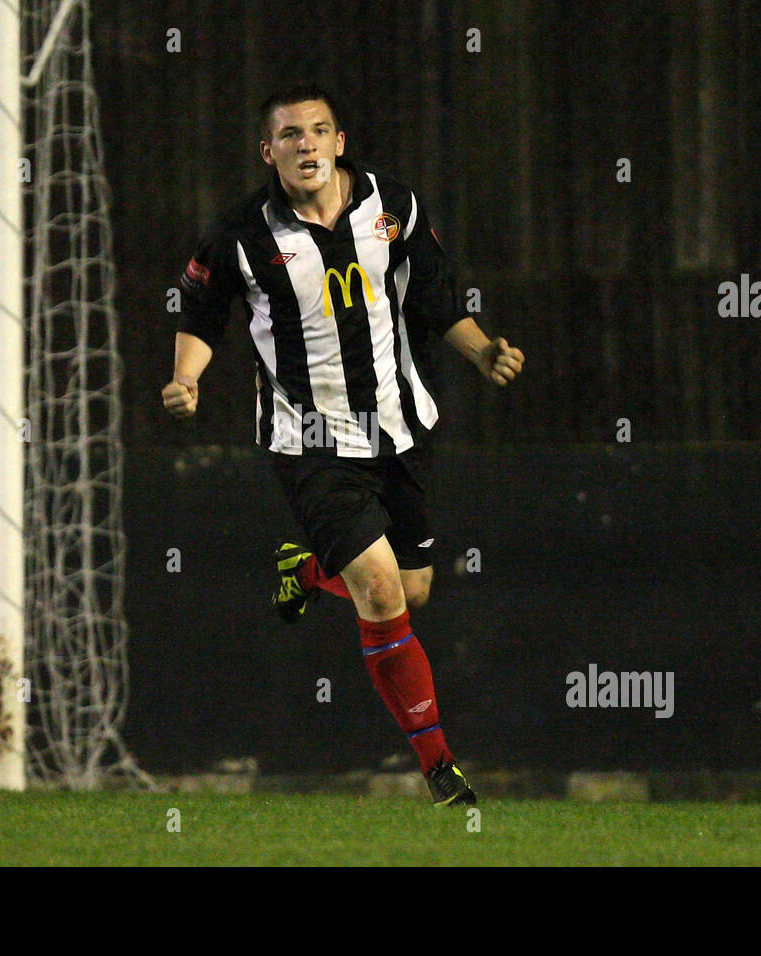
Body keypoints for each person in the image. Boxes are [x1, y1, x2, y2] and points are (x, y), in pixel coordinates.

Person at [162, 83, 524, 806]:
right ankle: (440, 769)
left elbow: (435, 298)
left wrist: (483, 354)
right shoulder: (241, 234)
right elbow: (202, 311)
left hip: (399, 426)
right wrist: (185, 378)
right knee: (384, 588)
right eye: (291, 135)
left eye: (319, 131)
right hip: (310, 441)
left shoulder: (395, 208)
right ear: (270, 152)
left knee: (412, 589)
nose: (306, 146)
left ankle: (308, 573)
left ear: (339, 143)